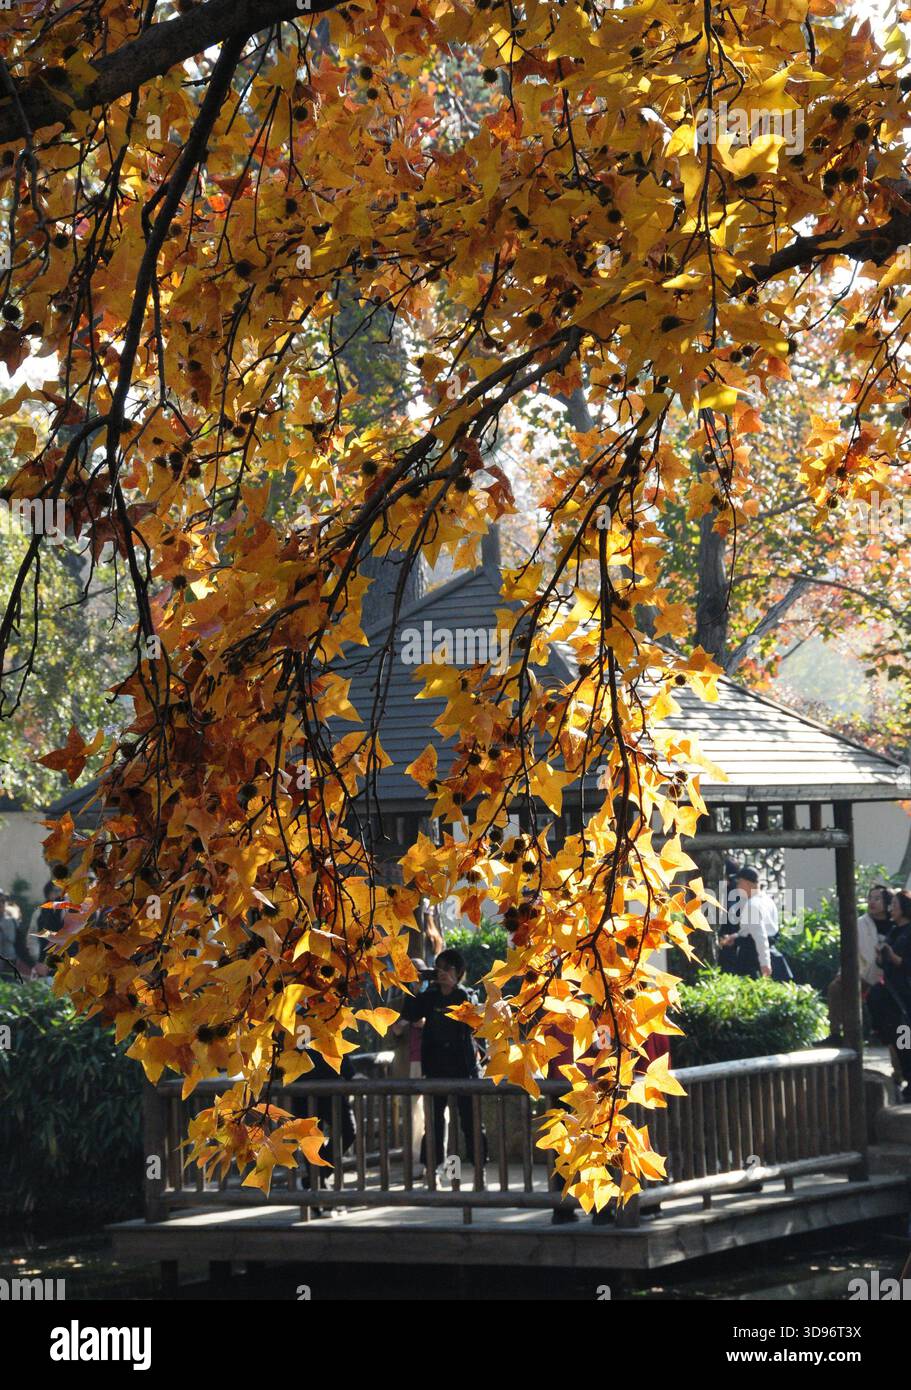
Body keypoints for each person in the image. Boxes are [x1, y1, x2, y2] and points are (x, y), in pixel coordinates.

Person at [399, 948, 487, 1171]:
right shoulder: (430, 997)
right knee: (434, 1122)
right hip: (436, 1067)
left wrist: (454, 987)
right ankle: (432, 1168)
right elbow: (409, 1015)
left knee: (471, 1121)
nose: (442, 973)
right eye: (439, 968)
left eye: (447, 968)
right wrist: (416, 989)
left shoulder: (466, 995)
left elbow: (474, 1020)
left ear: (458, 971)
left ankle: (479, 1167)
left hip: (464, 1069)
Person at [825, 884, 892, 1044]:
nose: (872, 902)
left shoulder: (895, 924)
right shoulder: (861, 923)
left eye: (877, 898)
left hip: (887, 977)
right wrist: (844, 973)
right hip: (861, 974)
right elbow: (850, 951)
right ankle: (835, 1033)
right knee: (835, 988)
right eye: (870, 898)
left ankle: (879, 1033)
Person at [868, 890, 911, 1102]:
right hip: (890, 994)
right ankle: (902, 1072)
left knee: (905, 1036)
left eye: (894, 904)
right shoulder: (894, 931)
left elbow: (905, 963)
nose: (890, 908)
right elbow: (884, 963)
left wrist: (892, 955)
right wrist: (880, 956)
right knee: (895, 1038)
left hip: (904, 995)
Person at [719, 867, 791, 980]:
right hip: (767, 952)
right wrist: (736, 936)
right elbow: (755, 931)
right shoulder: (767, 900)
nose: (737, 887)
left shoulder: (753, 905)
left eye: (739, 883)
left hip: (753, 957)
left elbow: (760, 937)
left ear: (747, 883)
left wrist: (765, 963)